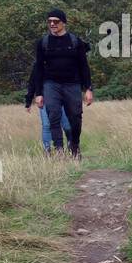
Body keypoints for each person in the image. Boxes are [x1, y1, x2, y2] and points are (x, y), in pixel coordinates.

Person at [25, 8, 93, 157]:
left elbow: (84, 66)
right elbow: (38, 70)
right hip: (51, 84)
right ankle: (59, 150)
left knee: (75, 117)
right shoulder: (43, 43)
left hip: (72, 84)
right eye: (49, 21)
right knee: (53, 115)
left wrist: (88, 88)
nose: (52, 24)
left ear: (64, 23)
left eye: (56, 21)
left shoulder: (76, 42)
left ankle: (74, 145)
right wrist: (38, 94)